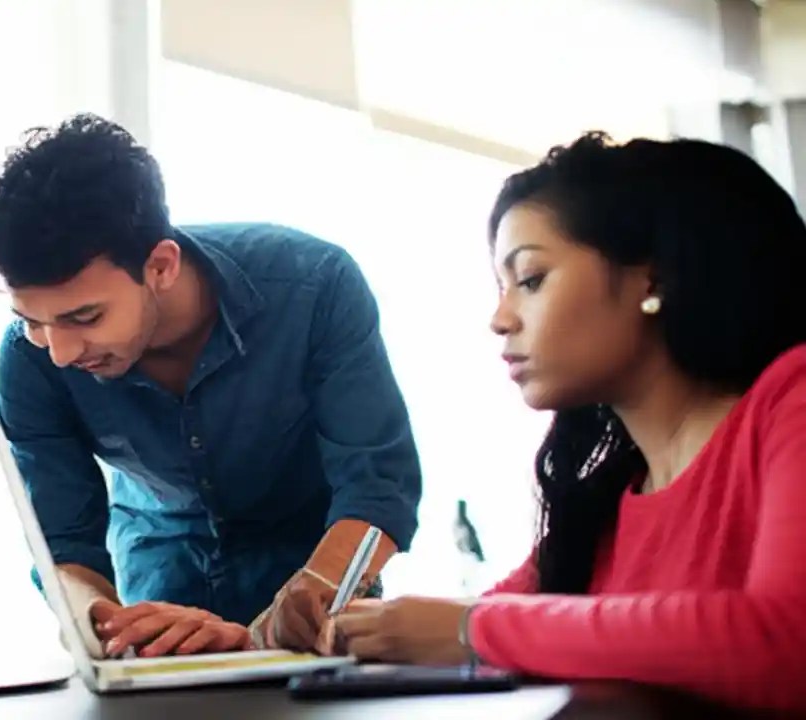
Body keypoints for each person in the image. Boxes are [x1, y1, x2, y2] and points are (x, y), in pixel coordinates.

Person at [324, 132, 806, 714]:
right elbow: (476, 623)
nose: (500, 319)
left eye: (530, 279)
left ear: (651, 280)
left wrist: (471, 629)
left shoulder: (791, 399)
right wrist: (299, 632)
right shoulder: (598, 508)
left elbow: (786, 644)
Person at [0, 113, 422, 658]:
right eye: (33, 319)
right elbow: (62, 544)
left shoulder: (314, 286)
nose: (62, 352)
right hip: (156, 589)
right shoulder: (30, 357)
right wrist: (107, 631)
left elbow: (380, 487)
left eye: (85, 318)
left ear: (161, 266)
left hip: (316, 587)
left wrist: (294, 614)